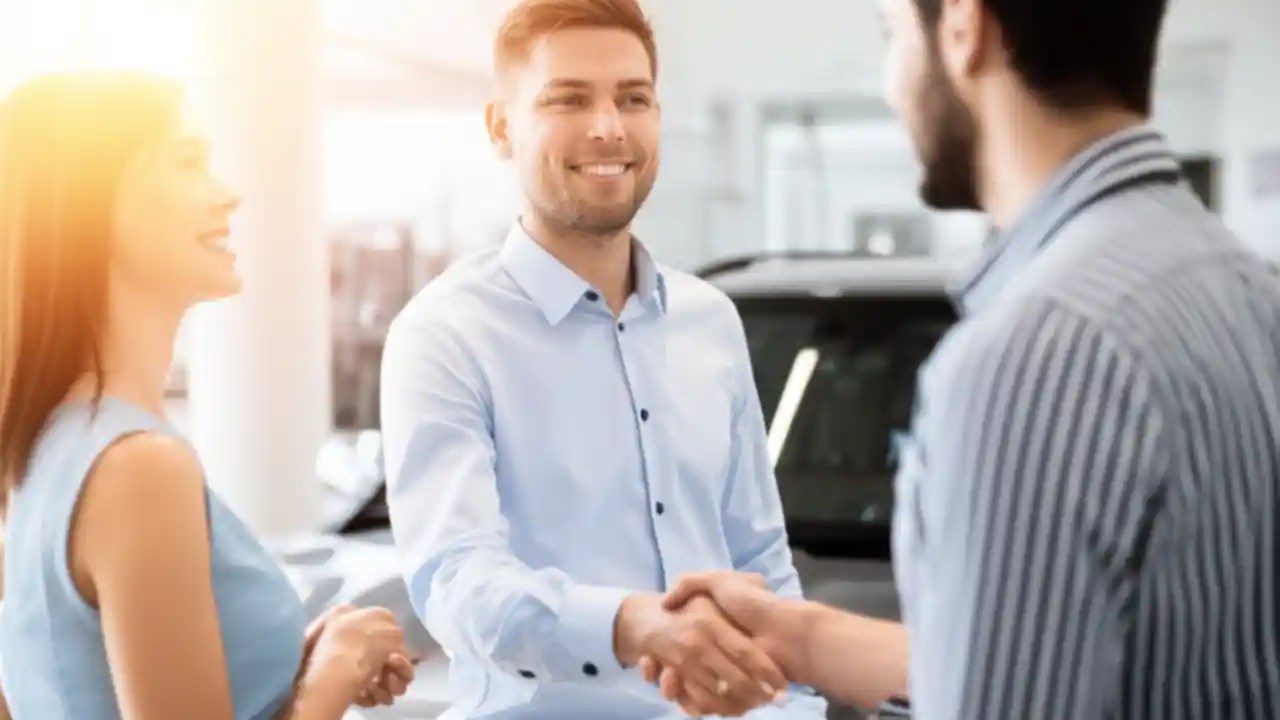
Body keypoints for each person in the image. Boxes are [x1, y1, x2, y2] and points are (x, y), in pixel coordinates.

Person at [649, 0, 1280, 717]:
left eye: (892, 36)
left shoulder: (1035, 355)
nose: (891, 83)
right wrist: (805, 638)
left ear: (963, 27)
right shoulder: (1245, 290)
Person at [379, 1, 825, 718]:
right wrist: (632, 624)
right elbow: (457, 582)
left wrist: (796, 707)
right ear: (501, 127)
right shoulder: (445, 335)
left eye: (633, 98)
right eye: (568, 99)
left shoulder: (710, 322)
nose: (608, 127)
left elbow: (761, 563)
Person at [0, 72, 416, 719]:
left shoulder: (48, 448)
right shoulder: (138, 468)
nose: (227, 194)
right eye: (187, 163)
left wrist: (285, 671)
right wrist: (335, 673)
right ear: (91, 201)